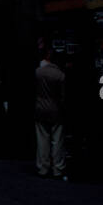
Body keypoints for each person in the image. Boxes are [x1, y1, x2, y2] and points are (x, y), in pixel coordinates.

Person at [35, 48, 68, 180]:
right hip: (56, 109)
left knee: (42, 139)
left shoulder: (38, 72)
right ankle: (57, 168)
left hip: (40, 108)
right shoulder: (60, 75)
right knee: (57, 140)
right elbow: (63, 95)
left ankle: (43, 167)